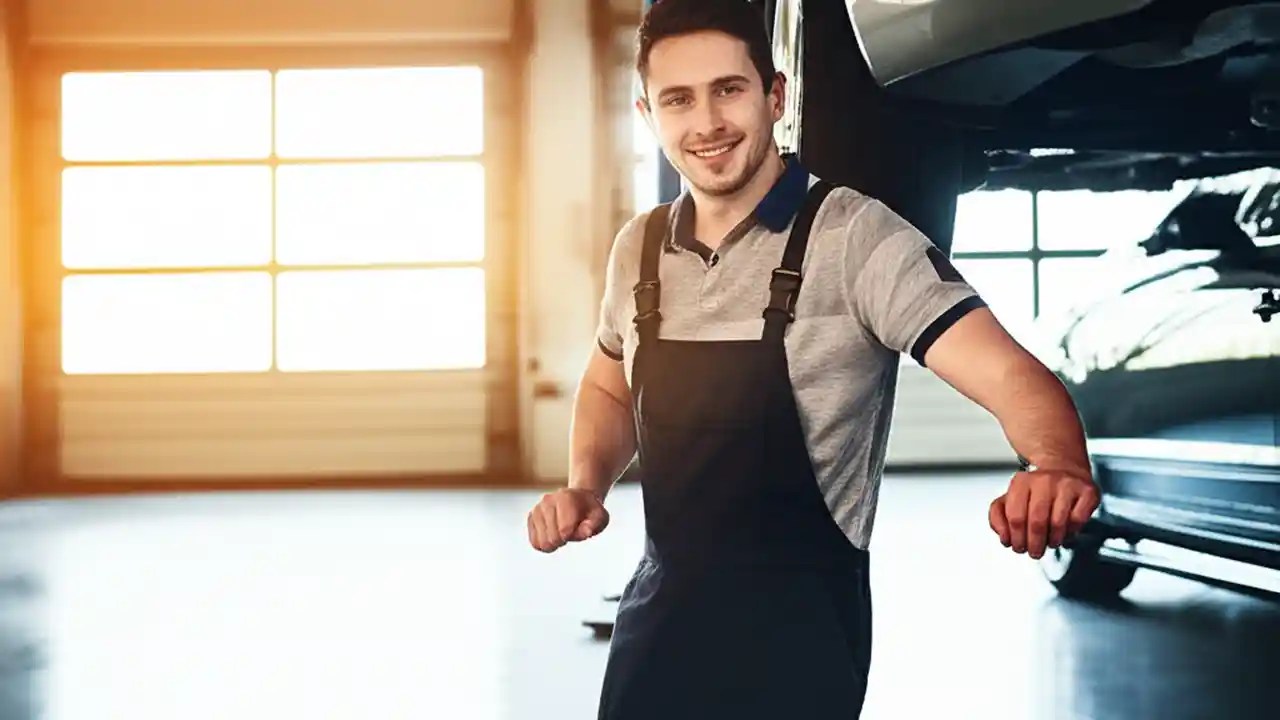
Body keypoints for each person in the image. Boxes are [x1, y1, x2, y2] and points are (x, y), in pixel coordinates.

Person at [525, 0, 1100, 717]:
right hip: (658, 627)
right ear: (648, 113)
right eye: (678, 99)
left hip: (797, 644)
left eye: (728, 90)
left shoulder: (856, 239)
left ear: (775, 95)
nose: (705, 123)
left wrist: (1056, 466)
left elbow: (1011, 374)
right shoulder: (638, 249)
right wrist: (585, 485)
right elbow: (610, 388)